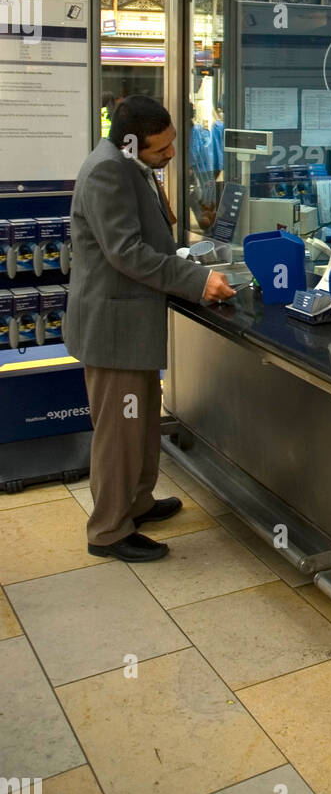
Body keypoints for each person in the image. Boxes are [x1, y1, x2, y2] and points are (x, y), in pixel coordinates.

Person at [64, 97, 236, 563]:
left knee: (138, 425)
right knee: (119, 433)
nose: (172, 153)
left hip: (131, 325)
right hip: (113, 329)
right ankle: (108, 530)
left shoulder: (129, 164)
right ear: (132, 142)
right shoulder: (107, 172)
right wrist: (198, 281)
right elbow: (127, 253)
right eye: (163, 147)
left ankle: (136, 503)